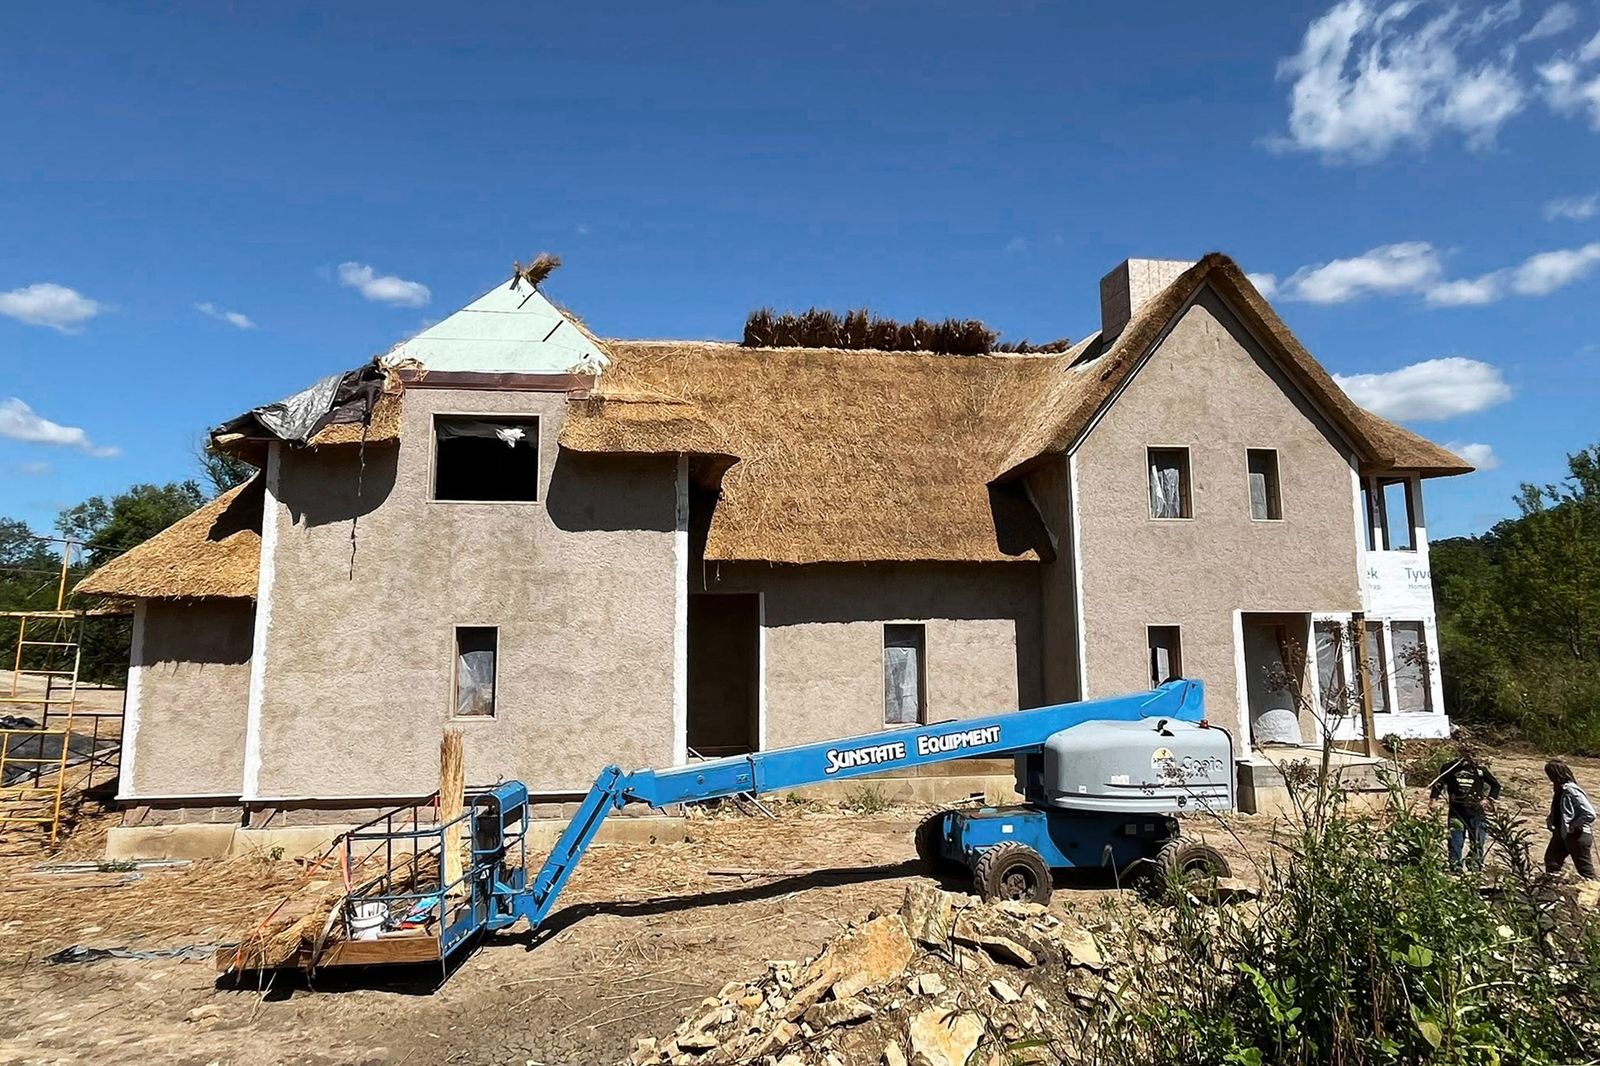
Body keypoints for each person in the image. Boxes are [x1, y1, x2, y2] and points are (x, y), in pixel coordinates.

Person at [1429, 745, 1501, 870]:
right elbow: (1438, 784)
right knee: (1455, 840)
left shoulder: (1479, 770)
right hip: (1456, 811)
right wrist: (1433, 799)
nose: (1470, 757)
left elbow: (1496, 786)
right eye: (1467, 754)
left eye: (1473, 755)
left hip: (1476, 812)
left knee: (1478, 840)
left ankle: (1474, 865)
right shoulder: (1449, 768)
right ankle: (1455, 866)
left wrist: (1488, 800)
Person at [1544, 760, 1596, 880]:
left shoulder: (1571, 790)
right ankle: (1552, 890)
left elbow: (1589, 813)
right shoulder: (1559, 790)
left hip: (1577, 835)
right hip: (1561, 833)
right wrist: (1550, 819)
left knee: (1585, 871)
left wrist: (1573, 825)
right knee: (1552, 860)